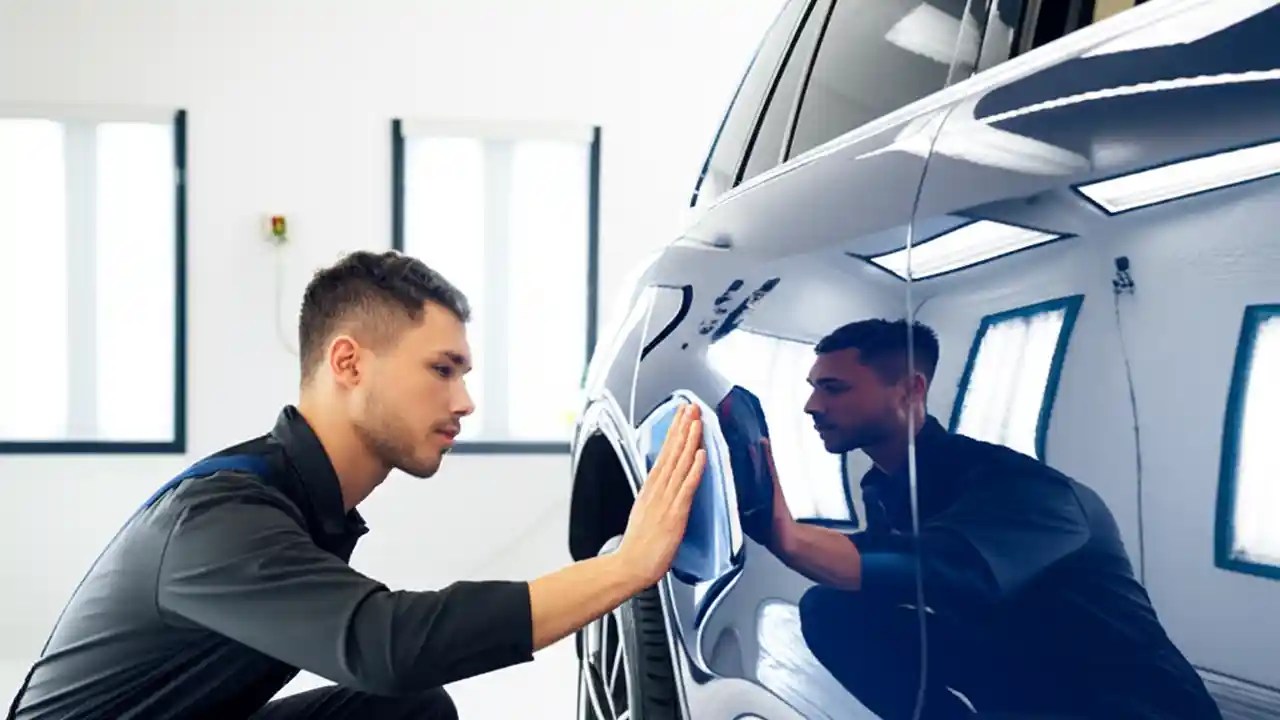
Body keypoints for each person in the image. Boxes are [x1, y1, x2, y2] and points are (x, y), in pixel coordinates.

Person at [8, 250, 707, 720]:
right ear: (348, 362)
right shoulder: (220, 520)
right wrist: (624, 568)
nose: (464, 401)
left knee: (402, 709)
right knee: (397, 679)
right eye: (442, 370)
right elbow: (387, 644)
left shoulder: (299, 503)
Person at [760, 318, 1221, 719]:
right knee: (830, 609)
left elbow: (936, 569)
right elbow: (883, 565)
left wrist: (787, 534)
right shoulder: (885, 484)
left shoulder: (1027, 491)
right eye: (814, 388)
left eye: (834, 388)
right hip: (1024, 669)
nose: (812, 406)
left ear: (910, 390)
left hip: (1124, 703)